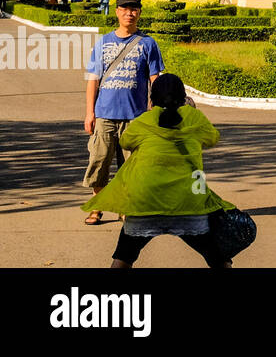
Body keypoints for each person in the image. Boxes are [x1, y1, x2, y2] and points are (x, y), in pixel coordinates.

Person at [82, 74, 236, 268]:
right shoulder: (194, 117)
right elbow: (212, 138)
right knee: (218, 260)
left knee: (123, 259)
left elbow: (125, 142)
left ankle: (109, 299)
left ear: (152, 99)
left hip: (145, 203)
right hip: (189, 204)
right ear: (183, 98)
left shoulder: (144, 120)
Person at [83, 0, 165, 225]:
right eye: (125, 8)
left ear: (139, 12)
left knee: (130, 166)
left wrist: (155, 109)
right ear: (117, 11)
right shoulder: (103, 43)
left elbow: (155, 78)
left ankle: (126, 207)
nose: (130, 12)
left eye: (134, 8)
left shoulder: (148, 43)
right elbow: (93, 80)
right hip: (105, 114)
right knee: (99, 162)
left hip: (135, 116)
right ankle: (97, 206)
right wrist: (90, 113)